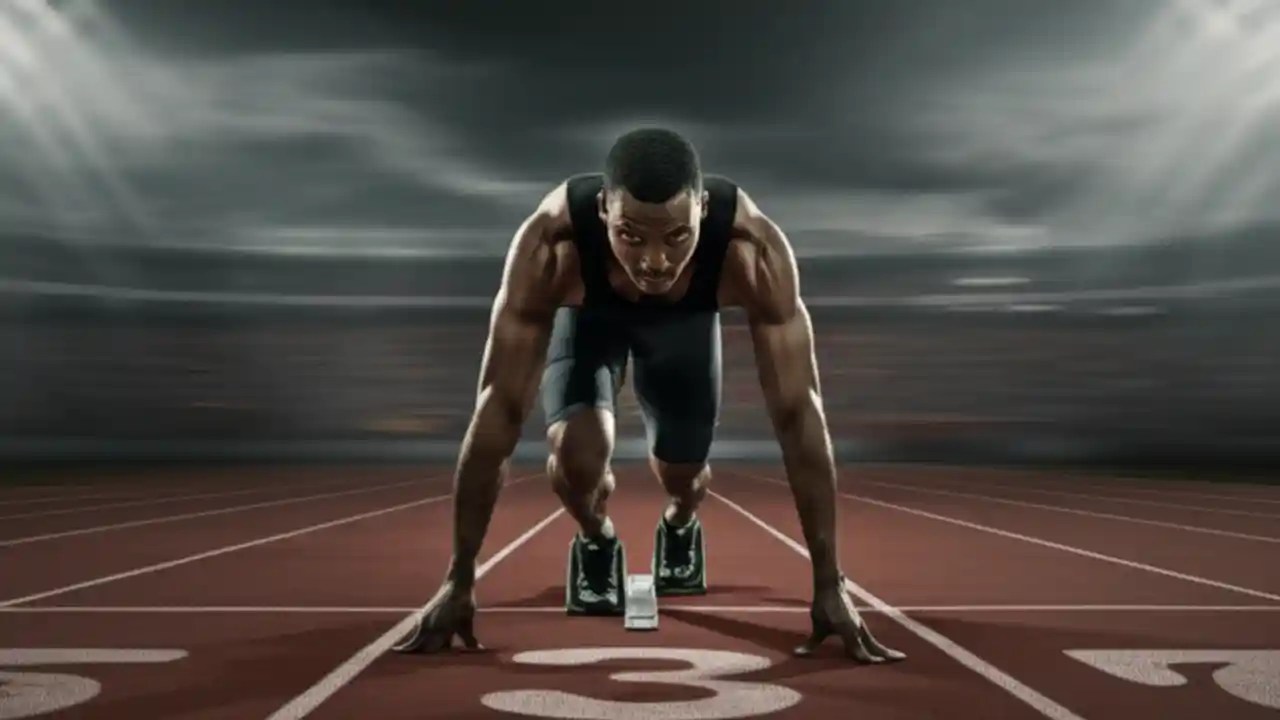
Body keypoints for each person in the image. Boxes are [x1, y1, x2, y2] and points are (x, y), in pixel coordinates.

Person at [393, 127, 905, 663]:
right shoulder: (551, 246)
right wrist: (460, 576)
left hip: (683, 328)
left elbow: (799, 414)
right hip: (589, 322)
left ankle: (681, 520)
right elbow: (498, 407)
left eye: (677, 237)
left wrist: (829, 582)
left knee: (681, 471)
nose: (656, 261)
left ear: (704, 211)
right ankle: (596, 535)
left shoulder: (750, 250)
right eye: (631, 236)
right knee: (577, 454)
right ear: (601, 213)